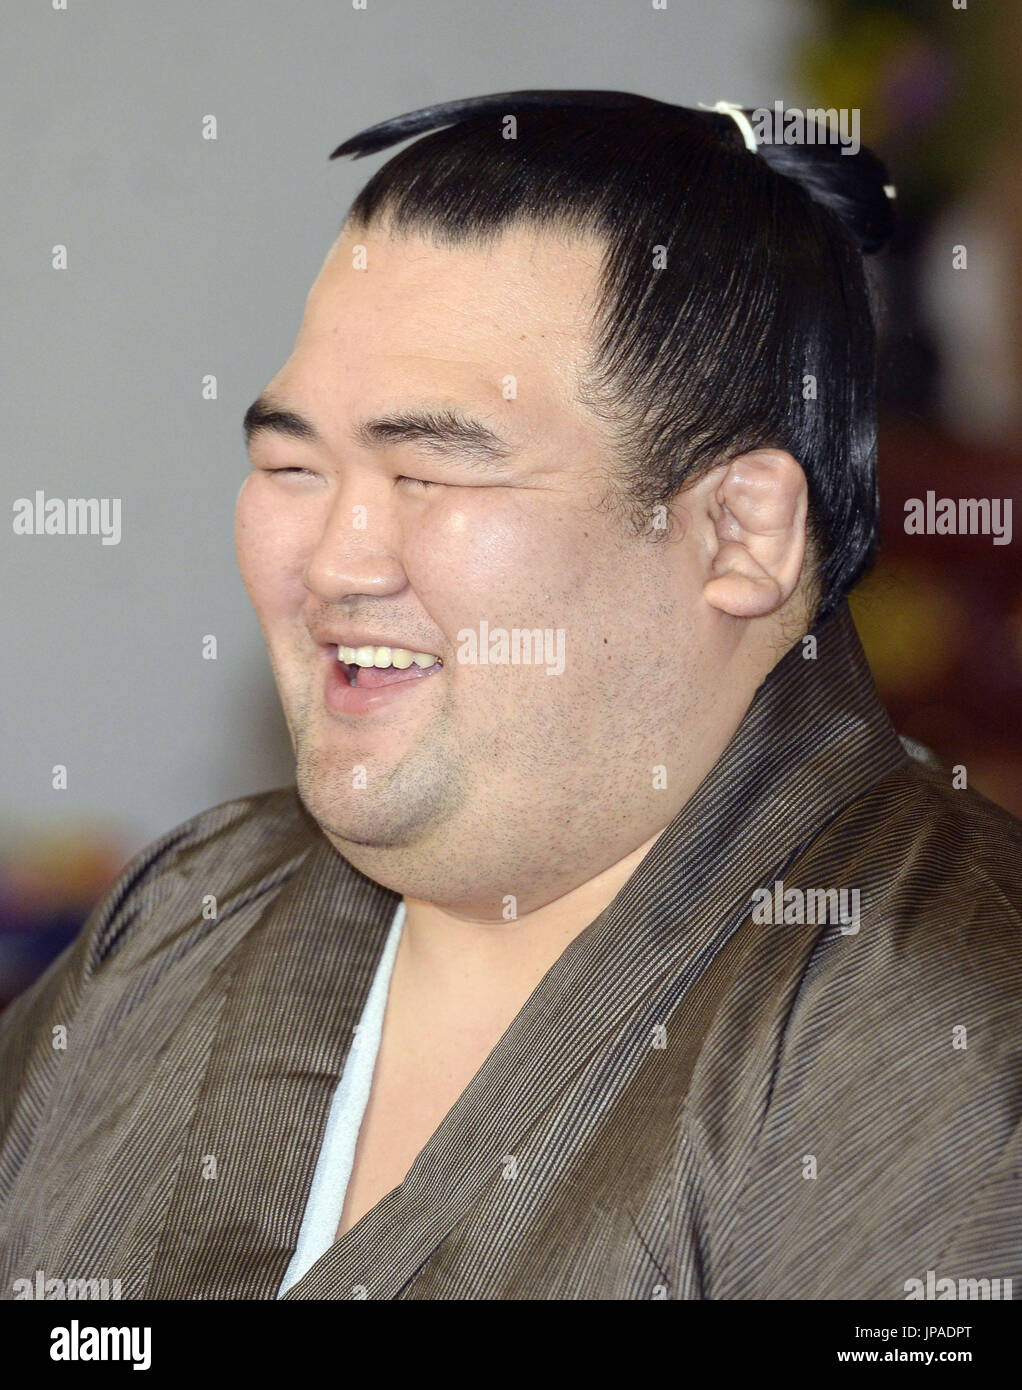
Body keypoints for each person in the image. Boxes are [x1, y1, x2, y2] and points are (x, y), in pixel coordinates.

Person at [1, 91, 1019, 1301]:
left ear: (737, 531)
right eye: (290, 465)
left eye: (427, 469)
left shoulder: (937, 1026)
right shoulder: (187, 912)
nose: (333, 558)